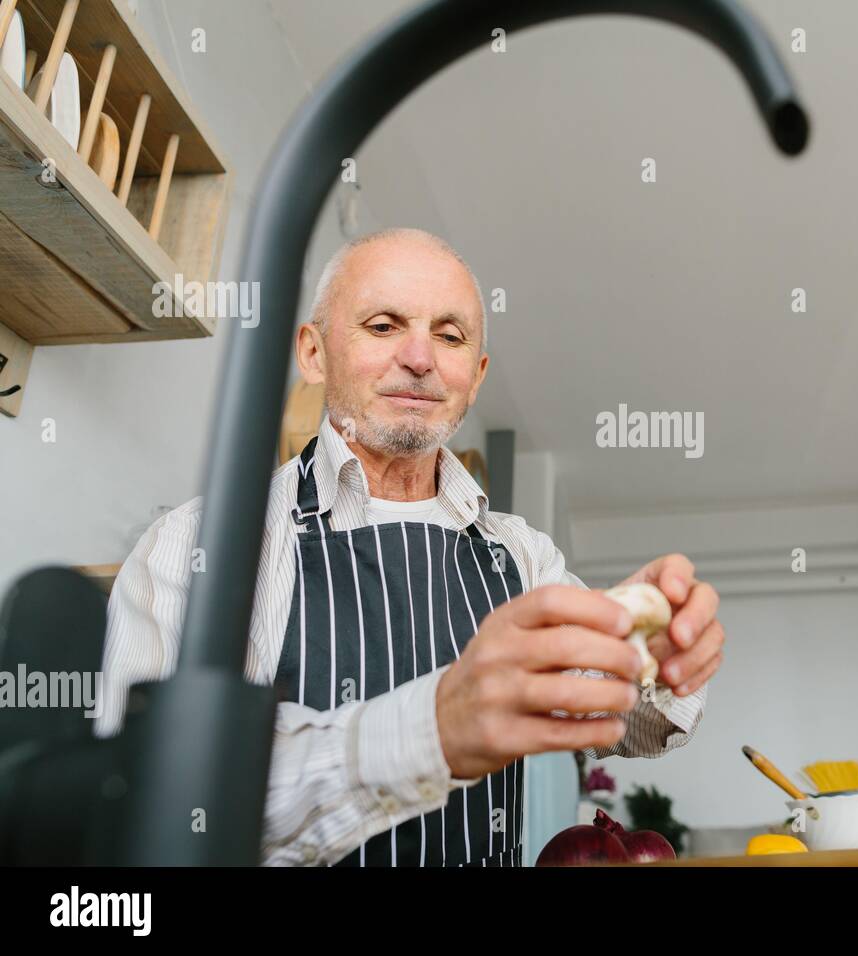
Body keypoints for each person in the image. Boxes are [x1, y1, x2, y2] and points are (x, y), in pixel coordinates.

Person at [98, 228, 725, 866]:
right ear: (314, 353)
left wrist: (650, 658)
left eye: (450, 337)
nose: (420, 358)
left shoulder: (522, 558)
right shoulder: (200, 548)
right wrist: (430, 732)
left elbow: (632, 727)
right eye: (383, 325)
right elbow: (157, 803)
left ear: (475, 376)